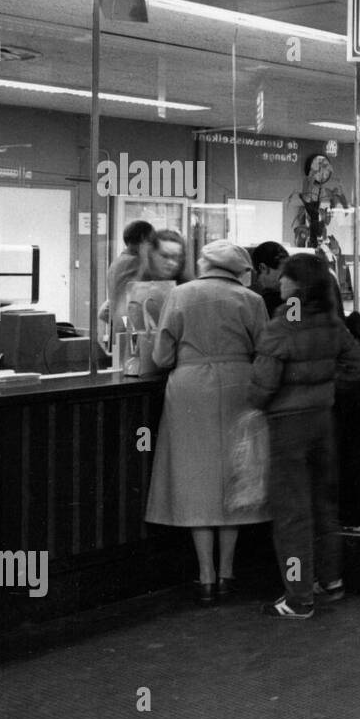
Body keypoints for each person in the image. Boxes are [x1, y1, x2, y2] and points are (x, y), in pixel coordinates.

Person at [145, 241, 268, 606]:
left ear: (204, 264)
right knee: (234, 478)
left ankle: (205, 577)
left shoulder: (181, 295)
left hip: (190, 388)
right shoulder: (252, 300)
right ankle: (229, 573)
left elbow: (162, 355)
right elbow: (264, 350)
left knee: (195, 480)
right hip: (238, 385)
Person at [249, 254, 360, 619]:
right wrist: (325, 386)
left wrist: (258, 400)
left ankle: (298, 598)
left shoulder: (285, 322)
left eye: (285, 277)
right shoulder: (330, 321)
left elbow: (262, 384)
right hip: (322, 422)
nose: (280, 282)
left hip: (288, 426)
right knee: (323, 506)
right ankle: (330, 582)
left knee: (292, 514)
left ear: (297, 285)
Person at [99, 220, 154, 354]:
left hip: (121, 330)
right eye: (152, 240)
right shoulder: (135, 263)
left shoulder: (118, 262)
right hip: (132, 334)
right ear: (143, 238)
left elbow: (107, 309)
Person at [251, 241, 290, 317]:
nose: (260, 283)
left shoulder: (268, 300)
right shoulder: (300, 295)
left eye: (258, 277)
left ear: (263, 268)